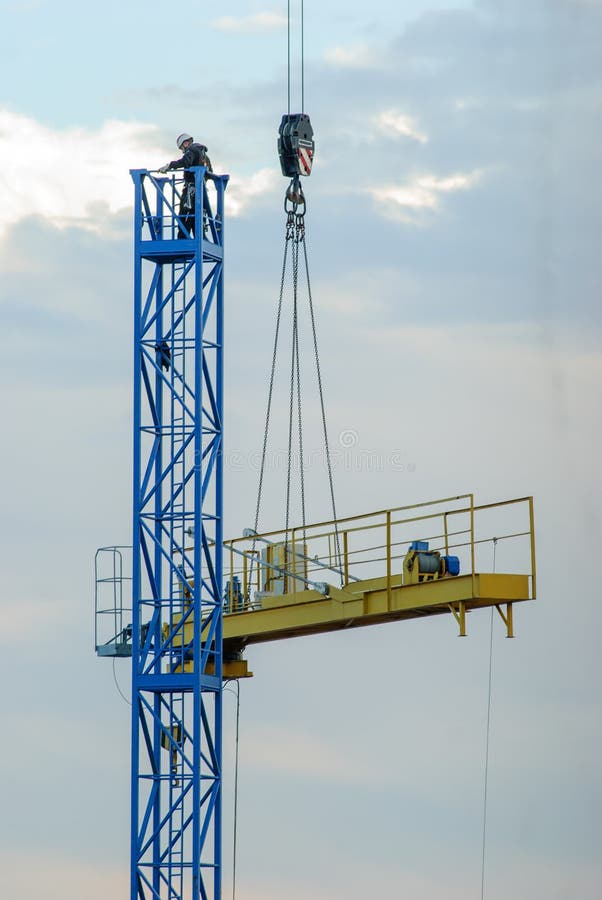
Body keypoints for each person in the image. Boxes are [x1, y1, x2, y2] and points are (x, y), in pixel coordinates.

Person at [158, 133, 213, 238]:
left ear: (186, 143)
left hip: (191, 191)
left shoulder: (192, 150)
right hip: (202, 193)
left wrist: (170, 165)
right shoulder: (205, 156)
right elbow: (210, 172)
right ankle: (200, 238)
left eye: (182, 148)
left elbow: (185, 161)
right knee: (197, 219)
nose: (182, 151)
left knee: (184, 216)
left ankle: (182, 240)